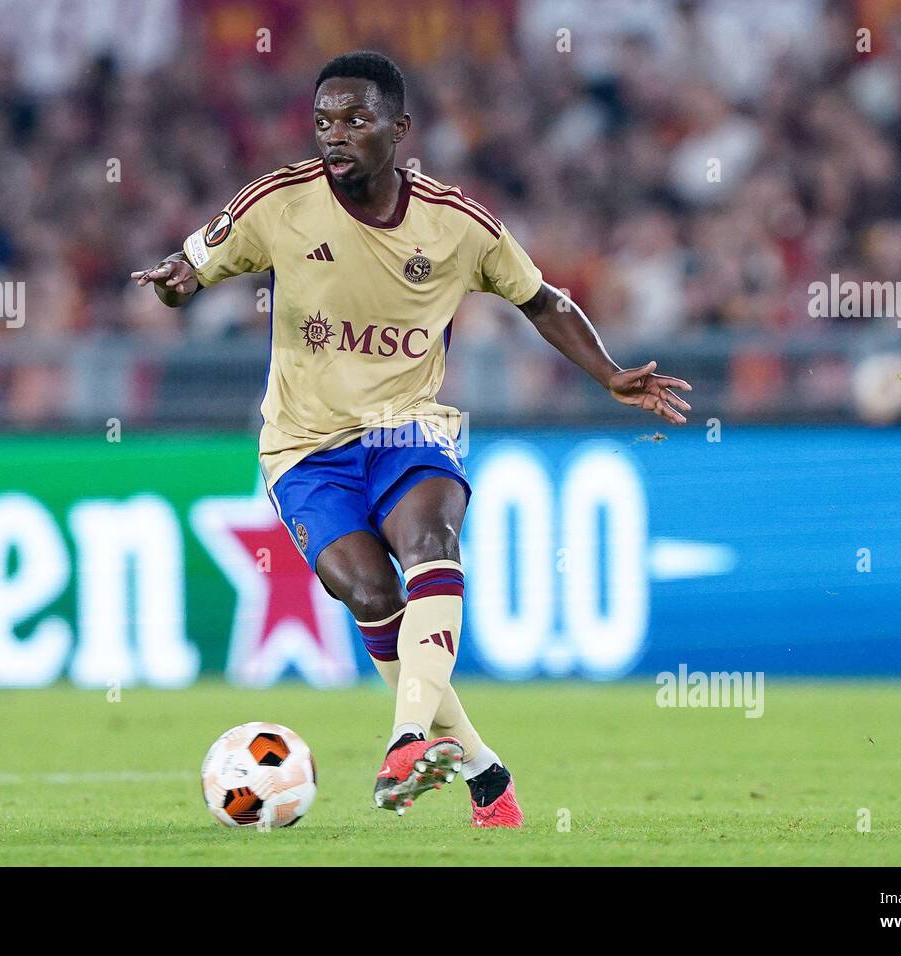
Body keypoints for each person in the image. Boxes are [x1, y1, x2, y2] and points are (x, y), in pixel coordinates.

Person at [133, 50, 691, 827]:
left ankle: (404, 743)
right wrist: (178, 282)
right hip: (303, 446)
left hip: (408, 426)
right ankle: (486, 775)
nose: (336, 136)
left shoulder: (458, 226)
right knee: (367, 592)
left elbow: (543, 299)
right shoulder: (279, 204)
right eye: (325, 121)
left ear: (399, 130)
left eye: (356, 120)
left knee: (432, 539)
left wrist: (608, 373)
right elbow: (191, 266)